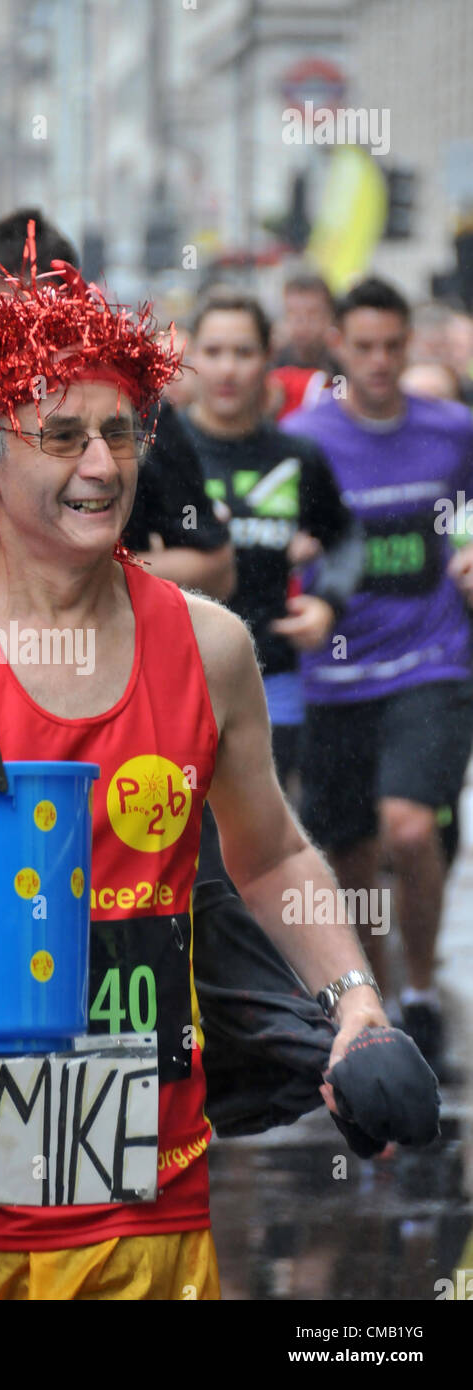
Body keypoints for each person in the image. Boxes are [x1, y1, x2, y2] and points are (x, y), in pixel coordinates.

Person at [0, 236, 418, 1303]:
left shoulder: (207, 646)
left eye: (117, 431)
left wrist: (356, 1007)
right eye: (59, 435)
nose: (101, 466)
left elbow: (273, 855)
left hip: (136, 1179)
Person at [284, 276, 473, 1074]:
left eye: (393, 346)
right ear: (338, 346)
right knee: (352, 855)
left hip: (433, 660)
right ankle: (379, 1000)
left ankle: (423, 987)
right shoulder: (303, 437)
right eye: (362, 347)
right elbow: (278, 536)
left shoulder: (452, 430)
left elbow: (467, 510)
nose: (379, 362)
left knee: (408, 825)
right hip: (335, 675)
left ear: (411, 345)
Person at [0, 208, 235, 599]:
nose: (13, 339)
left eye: (32, 315)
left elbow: (216, 568)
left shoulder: (137, 411)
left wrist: (92, 569)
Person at [182, 289, 363, 790]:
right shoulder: (157, 452)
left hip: (272, 675)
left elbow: (345, 537)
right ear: (191, 356)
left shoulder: (297, 455)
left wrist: (327, 603)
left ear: (268, 358)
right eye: (214, 352)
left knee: (260, 840)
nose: (227, 369)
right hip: (174, 675)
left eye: (243, 352)